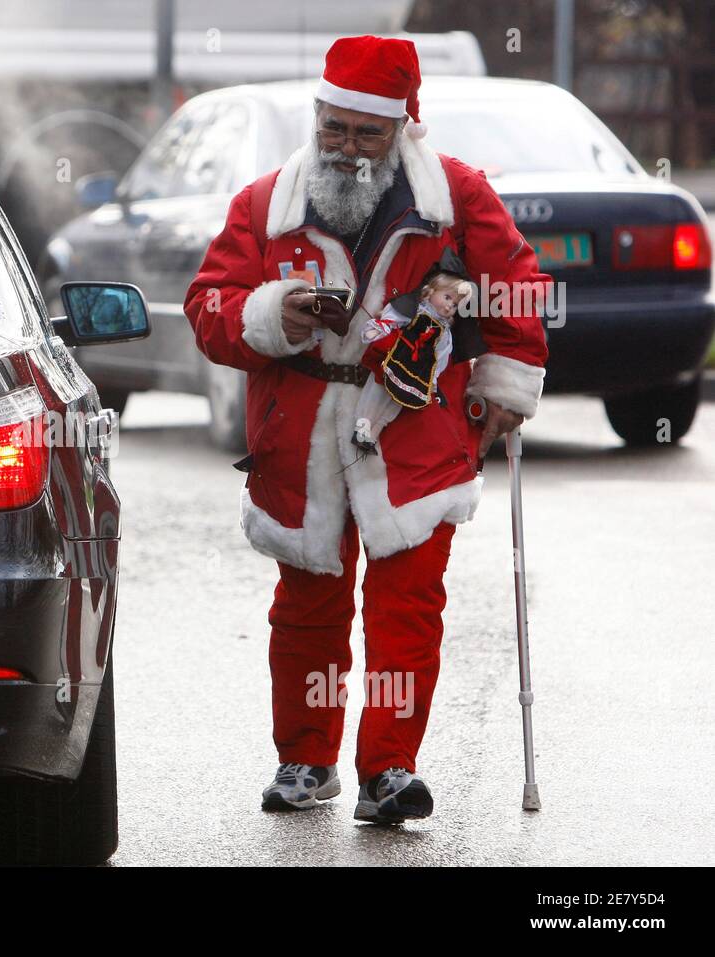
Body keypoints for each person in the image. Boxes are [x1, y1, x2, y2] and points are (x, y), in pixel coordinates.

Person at [183, 35, 550, 823]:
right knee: (306, 606)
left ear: (403, 127)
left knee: (407, 606)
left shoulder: (456, 198)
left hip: (414, 428)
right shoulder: (260, 206)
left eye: (366, 131)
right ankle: (305, 759)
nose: (347, 147)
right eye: (335, 127)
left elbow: (516, 288)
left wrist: (501, 395)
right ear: (317, 118)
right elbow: (208, 312)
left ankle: (389, 768)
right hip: (301, 434)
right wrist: (270, 314)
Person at [352, 251, 476, 454]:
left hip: (418, 370)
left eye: (454, 304)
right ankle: (362, 423)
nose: (448, 306)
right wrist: (379, 328)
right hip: (397, 357)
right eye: (446, 297)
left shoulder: (444, 332)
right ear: (431, 291)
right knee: (377, 390)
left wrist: (433, 380)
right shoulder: (414, 309)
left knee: (398, 402)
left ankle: (374, 432)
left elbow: (442, 355)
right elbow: (394, 319)